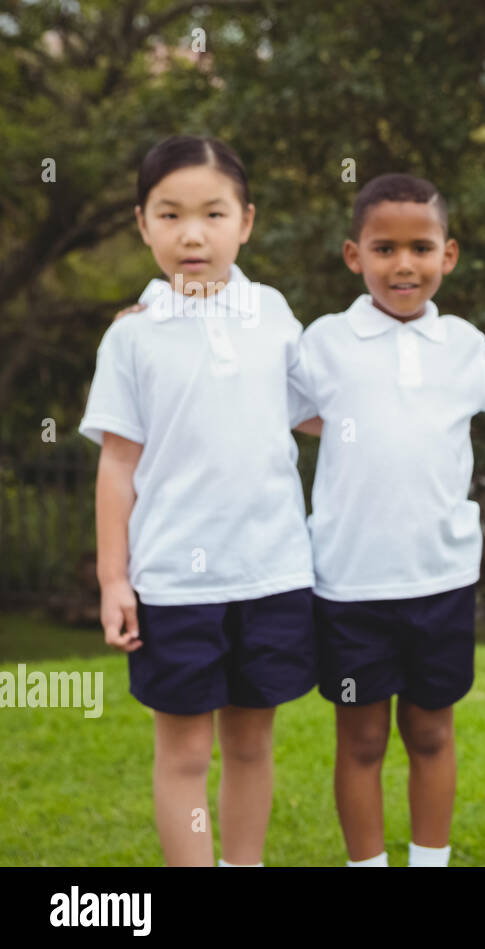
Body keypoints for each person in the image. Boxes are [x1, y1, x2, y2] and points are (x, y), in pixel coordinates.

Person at [81, 135, 316, 867]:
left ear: (245, 221)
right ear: (143, 224)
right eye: (170, 214)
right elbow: (118, 465)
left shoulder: (274, 312)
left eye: (213, 214)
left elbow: (316, 411)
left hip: (272, 571)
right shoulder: (133, 338)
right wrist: (114, 580)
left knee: (251, 743)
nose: (192, 234)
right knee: (183, 751)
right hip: (174, 583)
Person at [291, 173, 485, 867]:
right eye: (384, 248)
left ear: (448, 256)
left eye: (420, 247)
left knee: (430, 735)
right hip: (349, 584)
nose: (403, 264)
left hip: (440, 580)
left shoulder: (463, 344)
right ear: (353, 255)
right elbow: (268, 403)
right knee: (361, 742)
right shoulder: (325, 341)